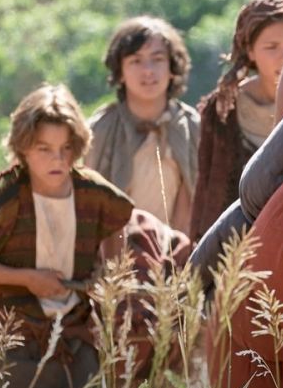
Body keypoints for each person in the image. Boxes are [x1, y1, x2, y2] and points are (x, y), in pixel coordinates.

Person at [0, 84, 134, 388]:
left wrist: (105, 274)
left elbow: (118, 230)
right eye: (44, 149)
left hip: (77, 338)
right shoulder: (1, 198)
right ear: (23, 149)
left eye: (66, 149)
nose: (57, 160)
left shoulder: (94, 193)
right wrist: (25, 279)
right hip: (15, 339)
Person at [188, 0, 283, 239]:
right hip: (242, 242)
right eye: (271, 47)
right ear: (250, 51)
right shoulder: (225, 110)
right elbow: (209, 190)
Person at [84, 17, 199, 235]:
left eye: (157, 59)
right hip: (115, 257)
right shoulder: (100, 130)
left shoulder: (192, 127)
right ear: (120, 71)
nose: (148, 71)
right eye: (136, 61)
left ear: (172, 67)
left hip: (180, 257)